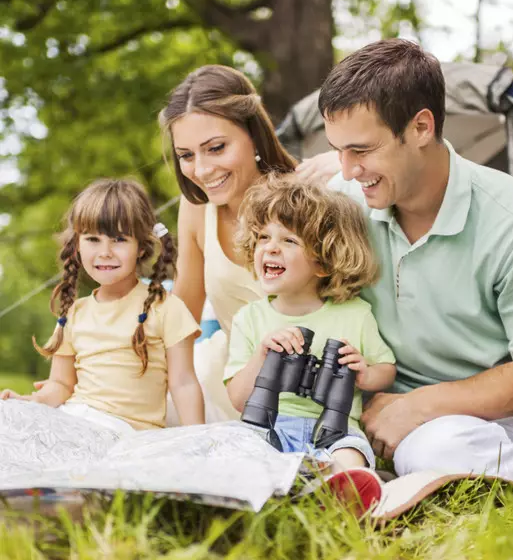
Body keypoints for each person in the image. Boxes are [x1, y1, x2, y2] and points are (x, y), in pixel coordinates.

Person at [310, 38, 513, 487]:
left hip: (481, 416)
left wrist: (417, 406)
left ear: (420, 127)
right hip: (370, 403)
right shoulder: (344, 204)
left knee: (434, 448)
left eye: (361, 150)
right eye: (337, 150)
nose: (347, 169)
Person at [224, 173, 396, 487]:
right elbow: (238, 399)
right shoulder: (249, 318)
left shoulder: (355, 314)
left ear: (322, 262)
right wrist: (262, 355)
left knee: (351, 449)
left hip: (334, 427)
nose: (271, 248)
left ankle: (343, 486)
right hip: (269, 424)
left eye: (288, 240)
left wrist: (365, 373)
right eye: (264, 237)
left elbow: (386, 368)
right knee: (238, 440)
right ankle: (268, 485)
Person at [0, 178, 205, 433]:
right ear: (77, 245)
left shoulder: (166, 308)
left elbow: (183, 382)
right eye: (93, 239)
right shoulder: (74, 313)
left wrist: (199, 438)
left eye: (119, 239)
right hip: (76, 420)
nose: (105, 251)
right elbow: (60, 385)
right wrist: (32, 402)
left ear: (141, 247)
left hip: (127, 435)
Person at [159, 65, 297, 423]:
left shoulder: (305, 200)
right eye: (186, 155)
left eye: (216, 148)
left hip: (306, 387)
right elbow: (183, 316)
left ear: (253, 134)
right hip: (230, 381)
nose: (202, 170)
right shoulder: (196, 209)